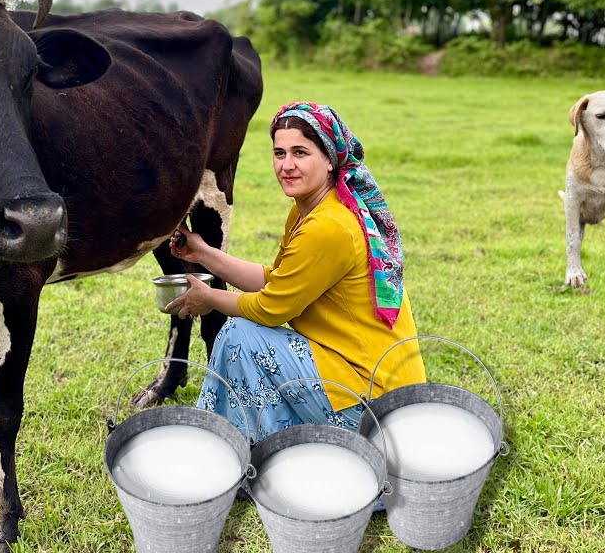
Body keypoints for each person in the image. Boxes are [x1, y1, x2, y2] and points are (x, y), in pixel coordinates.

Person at [168, 101, 426, 440]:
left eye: (300, 152)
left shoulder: (329, 227)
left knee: (239, 335)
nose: (286, 165)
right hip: (359, 379)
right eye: (279, 153)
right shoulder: (314, 209)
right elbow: (276, 279)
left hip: (374, 405)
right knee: (247, 335)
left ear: (330, 160)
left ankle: (229, 446)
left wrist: (210, 298)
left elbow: (270, 309)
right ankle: (250, 444)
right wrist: (203, 253)